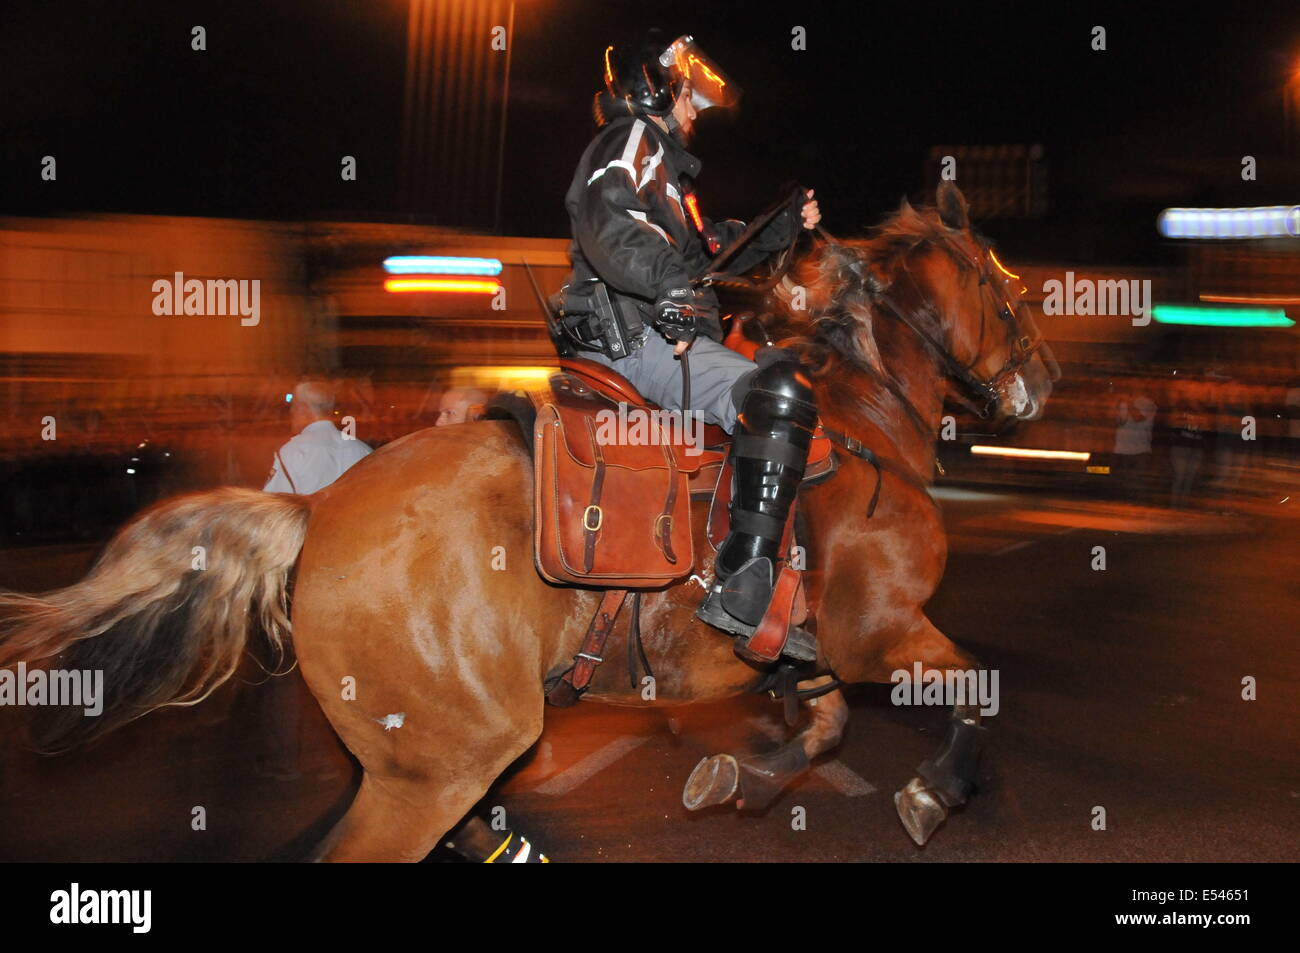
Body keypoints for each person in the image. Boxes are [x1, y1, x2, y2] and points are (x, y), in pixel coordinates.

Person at [555, 31, 822, 657]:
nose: (690, 111)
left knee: (781, 370)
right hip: (634, 339)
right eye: (684, 96)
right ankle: (741, 591)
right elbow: (611, 222)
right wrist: (671, 291)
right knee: (778, 393)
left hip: (649, 331)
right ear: (656, 86)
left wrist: (778, 224)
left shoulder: (672, 178)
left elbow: (709, 252)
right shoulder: (631, 143)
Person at [263, 380, 372, 495]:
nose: (291, 412)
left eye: (293, 406)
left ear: (303, 408)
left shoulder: (293, 452)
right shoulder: (364, 451)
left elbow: (274, 502)